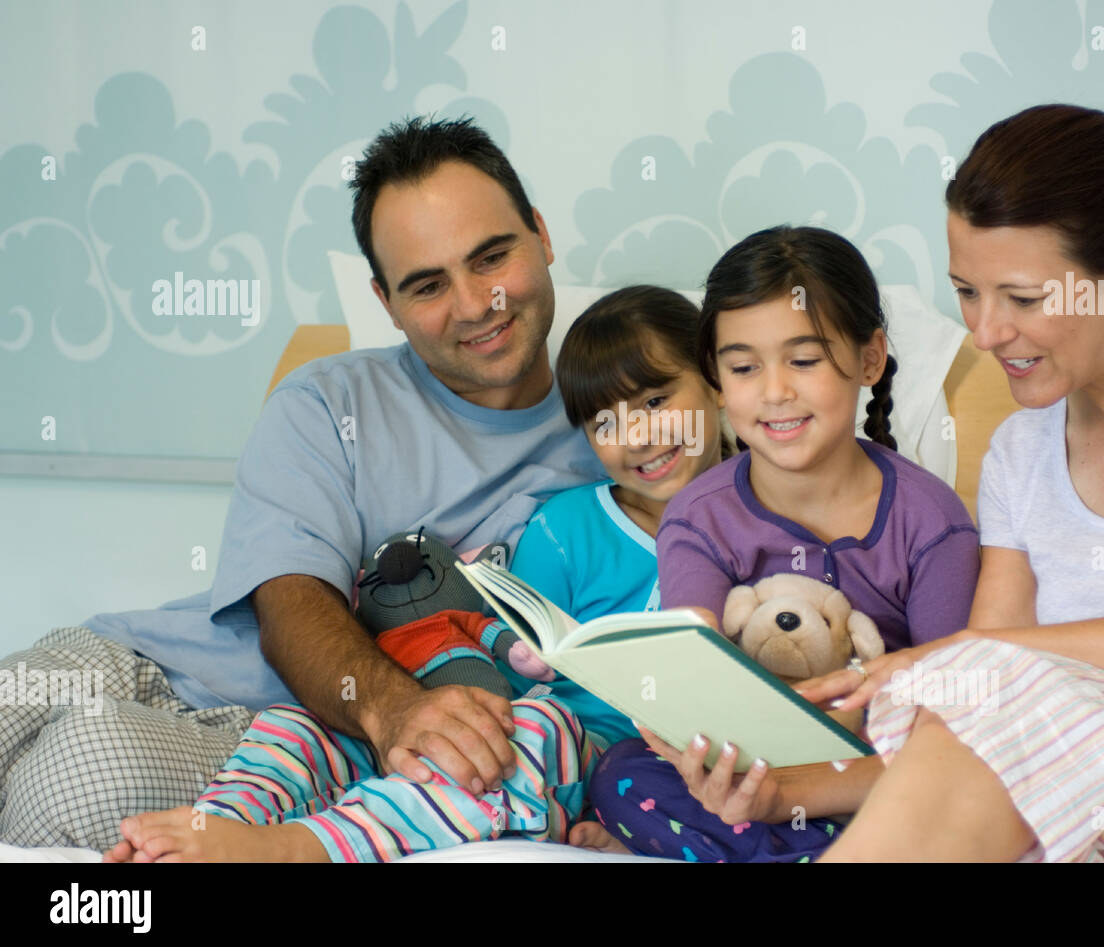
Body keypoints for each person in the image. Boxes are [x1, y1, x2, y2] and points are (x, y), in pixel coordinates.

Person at [665, 104, 1104, 863]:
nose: (984, 331)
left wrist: (966, 655)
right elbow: (972, 726)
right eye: (968, 290)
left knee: (1001, 677)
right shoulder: (1021, 451)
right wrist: (785, 793)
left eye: (1023, 298)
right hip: (1095, 821)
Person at [1, 115, 612, 854]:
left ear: (542, 236)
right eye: (427, 284)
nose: (476, 302)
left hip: (278, 733)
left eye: (491, 257)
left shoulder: (630, 437)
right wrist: (395, 710)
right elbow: (290, 600)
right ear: (385, 301)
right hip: (140, 656)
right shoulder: (328, 400)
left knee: (78, 773)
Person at [101, 285, 729, 862]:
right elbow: (510, 648)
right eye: (607, 422)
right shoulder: (568, 525)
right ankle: (210, 832)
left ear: (716, 382)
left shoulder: (760, 528)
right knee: (301, 719)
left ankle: (298, 849)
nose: (642, 436)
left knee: (541, 732)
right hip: (520, 717)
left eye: (656, 400)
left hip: (602, 758)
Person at [581, 225, 981, 862]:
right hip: (744, 772)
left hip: (875, 777)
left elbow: (952, 718)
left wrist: (829, 753)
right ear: (716, 379)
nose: (773, 392)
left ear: (870, 358)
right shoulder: (698, 519)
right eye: (743, 367)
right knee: (623, 773)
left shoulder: (934, 523)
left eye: (804, 359)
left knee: (963, 795)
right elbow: (695, 661)